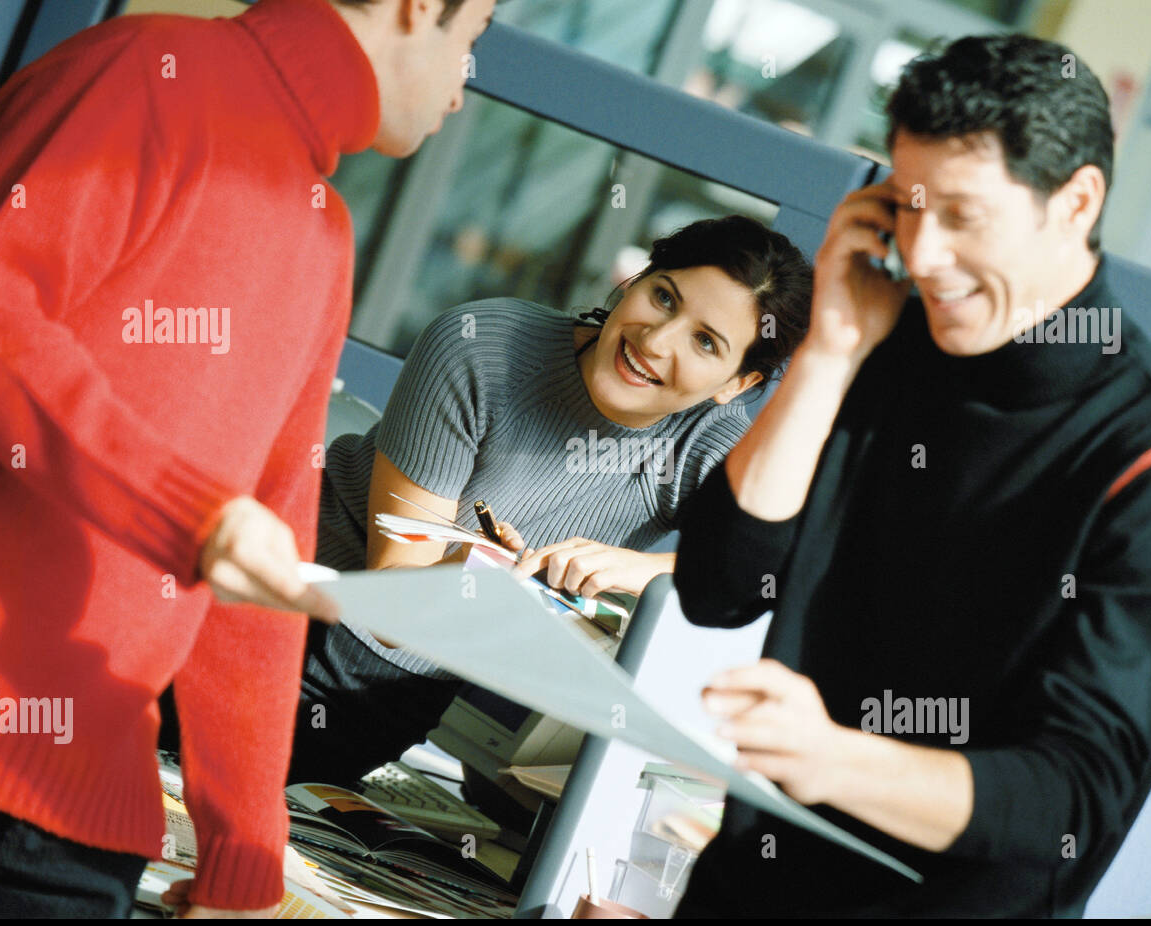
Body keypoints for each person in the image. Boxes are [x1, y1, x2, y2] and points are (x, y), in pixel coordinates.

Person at [671, 35, 1151, 917]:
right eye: (907, 207)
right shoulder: (882, 342)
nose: (926, 252)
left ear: (1075, 201)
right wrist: (829, 351)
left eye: (962, 214)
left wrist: (832, 757)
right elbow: (717, 585)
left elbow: (1068, 799)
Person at [0, 0, 498, 919]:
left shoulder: (325, 236)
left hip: (78, 831)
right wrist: (194, 514)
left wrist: (245, 852)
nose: (466, 86)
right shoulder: (142, 69)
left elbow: (271, 553)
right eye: (474, 37)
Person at [284, 215, 813, 786]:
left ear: (737, 384)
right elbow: (391, 605)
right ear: (636, 280)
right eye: (663, 297)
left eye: (705, 342)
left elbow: (798, 578)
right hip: (287, 614)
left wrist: (647, 571)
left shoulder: (711, 446)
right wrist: (469, 570)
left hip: (398, 695)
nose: (656, 342)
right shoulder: (483, 347)